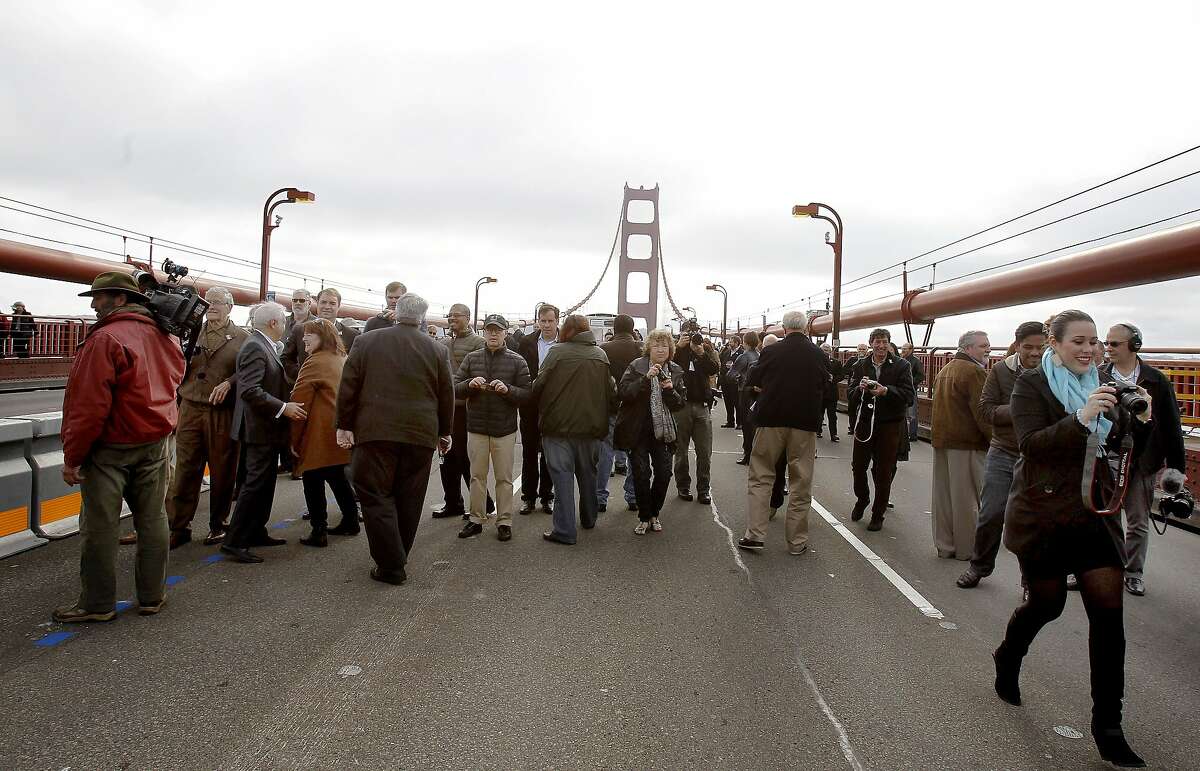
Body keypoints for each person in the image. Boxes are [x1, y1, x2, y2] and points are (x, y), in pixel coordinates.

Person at [992, 309, 1152, 768]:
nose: (1088, 349)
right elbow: (1032, 446)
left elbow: (1121, 444)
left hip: (1093, 515)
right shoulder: (1031, 386)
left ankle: (1108, 727)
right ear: (1055, 344)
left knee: (1108, 616)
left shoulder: (1103, 386)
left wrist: (1139, 418)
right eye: (1078, 341)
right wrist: (1081, 418)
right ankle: (1009, 655)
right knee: (1047, 605)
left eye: (1095, 342)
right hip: (1043, 515)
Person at [53, 271, 186, 622]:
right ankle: (152, 596)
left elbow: (87, 407)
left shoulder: (105, 339)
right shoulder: (167, 336)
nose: (94, 305)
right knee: (153, 519)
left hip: (111, 448)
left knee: (99, 527)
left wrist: (73, 458)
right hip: (155, 443)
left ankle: (97, 604)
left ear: (120, 299)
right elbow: (175, 385)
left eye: (98, 298)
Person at [337, 294, 453, 585]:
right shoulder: (437, 350)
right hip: (420, 433)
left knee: (375, 495)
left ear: (396, 312)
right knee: (410, 497)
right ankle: (397, 555)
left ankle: (391, 564)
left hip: (376, 431)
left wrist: (344, 424)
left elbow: (349, 384)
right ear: (422, 317)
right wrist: (445, 431)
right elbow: (446, 393)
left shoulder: (367, 341)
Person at [957, 321, 1046, 589]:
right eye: (1028, 347)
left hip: (1038, 456)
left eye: (1040, 347)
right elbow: (986, 410)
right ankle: (979, 566)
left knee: (1031, 521)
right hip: (1004, 451)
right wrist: (1021, 408)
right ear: (1017, 345)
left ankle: (1030, 580)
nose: (1034, 353)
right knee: (991, 512)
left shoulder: (1056, 374)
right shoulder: (1000, 370)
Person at [1101, 322, 1186, 597]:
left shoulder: (1156, 379)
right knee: (1105, 518)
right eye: (1106, 343)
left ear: (1133, 345)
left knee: (1137, 521)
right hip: (1109, 458)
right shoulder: (1099, 376)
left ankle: (1134, 572)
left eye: (1114, 343)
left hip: (1143, 460)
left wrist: (1176, 467)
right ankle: (1104, 568)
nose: (1108, 348)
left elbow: (1172, 424)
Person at [161, 287, 248, 548]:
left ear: (230, 307)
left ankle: (218, 524)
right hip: (190, 407)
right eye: (208, 302)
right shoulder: (189, 333)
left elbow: (250, 370)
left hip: (221, 412)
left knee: (223, 469)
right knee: (186, 469)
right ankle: (179, 526)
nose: (212, 306)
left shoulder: (243, 338)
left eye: (218, 302)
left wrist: (230, 383)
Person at [221, 303, 307, 563]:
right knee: (254, 484)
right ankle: (235, 541)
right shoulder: (255, 347)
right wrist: (284, 407)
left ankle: (256, 531)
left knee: (264, 482)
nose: (285, 326)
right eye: (283, 322)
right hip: (258, 429)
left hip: (263, 429)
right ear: (274, 323)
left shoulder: (261, 345)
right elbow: (249, 390)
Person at [735, 312, 827, 553]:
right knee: (800, 482)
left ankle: (755, 534)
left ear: (784, 328)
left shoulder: (772, 351)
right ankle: (797, 542)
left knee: (761, 475)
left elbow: (754, 378)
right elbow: (826, 386)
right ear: (806, 327)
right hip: (804, 424)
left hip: (771, 420)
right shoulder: (818, 354)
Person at [534, 314, 616, 545]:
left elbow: (538, 385)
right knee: (588, 475)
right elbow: (612, 392)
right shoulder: (600, 355)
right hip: (591, 429)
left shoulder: (557, 353)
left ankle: (564, 530)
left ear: (567, 330)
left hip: (558, 428)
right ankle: (589, 518)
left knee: (562, 479)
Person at [454, 314, 531, 541]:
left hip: (504, 429)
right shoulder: (472, 358)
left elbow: (527, 394)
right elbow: (455, 387)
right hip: (476, 427)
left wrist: (507, 389)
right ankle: (476, 519)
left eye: (498, 330)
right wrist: (469, 384)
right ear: (484, 333)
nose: (493, 334)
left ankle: (504, 521)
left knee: (504, 478)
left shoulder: (518, 361)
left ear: (506, 332)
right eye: (489, 330)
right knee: (476, 476)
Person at [290, 318, 358, 547]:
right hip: (338, 430)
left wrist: (294, 439)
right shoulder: (341, 358)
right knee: (337, 476)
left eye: (310, 334)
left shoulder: (315, 362)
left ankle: (318, 530)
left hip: (318, 433)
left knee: (311, 478)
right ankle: (350, 521)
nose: (304, 338)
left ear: (323, 337)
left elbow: (299, 403)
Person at [615, 329, 686, 534]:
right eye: (656, 346)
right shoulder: (636, 366)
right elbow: (624, 393)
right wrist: (645, 379)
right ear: (649, 348)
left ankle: (655, 513)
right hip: (637, 429)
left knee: (664, 474)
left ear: (671, 349)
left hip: (664, 431)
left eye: (665, 346)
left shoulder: (676, 370)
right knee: (641, 473)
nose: (661, 350)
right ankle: (645, 517)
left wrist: (670, 389)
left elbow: (680, 404)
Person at [930, 330, 992, 558]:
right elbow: (982, 413)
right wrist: (995, 441)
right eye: (983, 345)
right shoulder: (974, 372)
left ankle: (945, 545)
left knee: (944, 498)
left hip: (942, 441)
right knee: (967, 500)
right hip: (966, 444)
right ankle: (967, 549)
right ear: (967, 348)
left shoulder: (945, 370)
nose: (988, 349)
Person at [846, 329, 915, 530]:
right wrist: (859, 390)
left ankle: (878, 514)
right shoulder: (860, 365)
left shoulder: (902, 366)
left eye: (884, 342)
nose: (881, 346)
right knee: (858, 466)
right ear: (871, 344)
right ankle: (863, 499)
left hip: (890, 424)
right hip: (865, 422)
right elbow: (850, 396)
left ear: (889, 344)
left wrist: (886, 391)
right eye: (877, 342)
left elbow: (909, 396)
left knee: (883, 470)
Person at [434, 303, 493, 519]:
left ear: (467, 318)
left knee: (466, 458)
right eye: (449, 315)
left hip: (466, 409)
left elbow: (481, 373)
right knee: (446, 457)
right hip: (444, 408)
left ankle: (484, 503)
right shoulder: (443, 343)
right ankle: (452, 503)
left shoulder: (478, 343)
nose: (451, 319)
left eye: (456, 315)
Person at [517, 303, 560, 514]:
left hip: (555, 406)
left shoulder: (565, 343)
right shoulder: (526, 342)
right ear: (538, 321)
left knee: (549, 454)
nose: (546, 325)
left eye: (550, 321)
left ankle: (547, 496)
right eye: (543, 321)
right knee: (529, 453)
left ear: (557, 321)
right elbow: (520, 372)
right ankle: (528, 497)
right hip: (530, 406)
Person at [597, 314, 642, 511]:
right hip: (635, 408)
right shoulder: (642, 349)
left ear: (614, 329)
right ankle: (632, 496)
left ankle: (600, 497)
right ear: (632, 329)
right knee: (635, 452)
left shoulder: (603, 349)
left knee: (605, 452)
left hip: (609, 406)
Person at [671, 327, 720, 504]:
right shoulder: (676, 351)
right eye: (688, 335)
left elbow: (714, 369)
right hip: (681, 406)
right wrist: (677, 347)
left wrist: (701, 353)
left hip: (701, 406)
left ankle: (703, 489)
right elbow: (668, 367)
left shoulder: (703, 350)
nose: (692, 339)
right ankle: (683, 486)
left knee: (704, 452)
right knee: (681, 451)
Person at [284, 287, 358, 382]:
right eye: (323, 302)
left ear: (338, 306)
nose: (327, 306)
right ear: (317, 304)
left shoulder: (351, 335)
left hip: (337, 392)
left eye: (332, 303)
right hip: (306, 388)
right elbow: (286, 358)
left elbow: (355, 366)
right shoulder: (300, 330)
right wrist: (302, 374)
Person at [899, 342, 926, 441]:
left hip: (911, 389)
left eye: (905, 349)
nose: (903, 351)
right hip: (901, 389)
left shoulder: (916, 361)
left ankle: (913, 435)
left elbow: (921, 375)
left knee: (912, 414)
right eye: (902, 348)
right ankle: (904, 434)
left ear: (911, 350)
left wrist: (910, 382)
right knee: (903, 413)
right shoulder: (900, 360)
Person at [818, 343, 842, 442]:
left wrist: (833, 379)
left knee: (832, 415)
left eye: (827, 350)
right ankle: (818, 430)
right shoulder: (816, 361)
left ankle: (834, 434)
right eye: (823, 350)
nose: (825, 351)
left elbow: (841, 375)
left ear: (830, 351)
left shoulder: (836, 362)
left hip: (832, 393)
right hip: (820, 392)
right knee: (819, 413)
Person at [719, 334, 744, 427]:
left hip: (735, 382)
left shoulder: (742, 353)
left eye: (731, 341)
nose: (729, 343)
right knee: (728, 402)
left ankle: (739, 422)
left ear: (737, 343)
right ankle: (730, 421)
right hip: (725, 381)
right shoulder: (726, 352)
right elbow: (721, 365)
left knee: (737, 403)